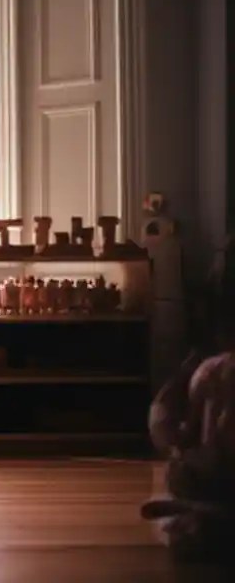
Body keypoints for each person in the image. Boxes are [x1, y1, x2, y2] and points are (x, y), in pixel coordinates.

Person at [142, 238, 235, 560]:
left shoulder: (214, 371)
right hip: (217, 475)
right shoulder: (213, 369)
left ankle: (209, 515)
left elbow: (182, 435)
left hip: (217, 478)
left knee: (182, 469)